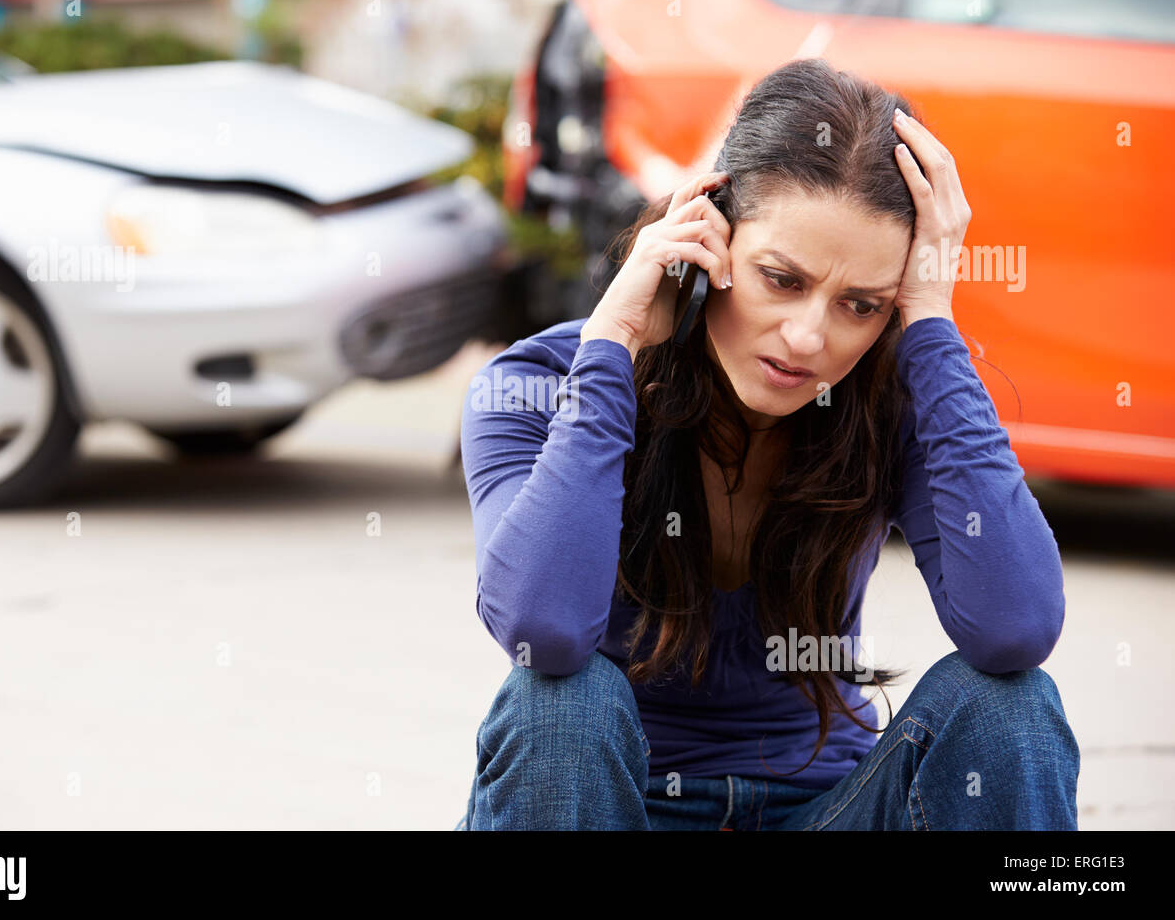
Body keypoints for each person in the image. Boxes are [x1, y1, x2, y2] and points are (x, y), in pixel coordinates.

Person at [455, 58, 1079, 830]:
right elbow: (541, 633)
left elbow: (1016, 628)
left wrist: (930, 321)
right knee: (558, 703)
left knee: (1009, 704)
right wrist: (614, 344)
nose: (809, 337)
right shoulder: (536, 386)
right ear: (707, 235)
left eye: (861, 303)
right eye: (781, 279)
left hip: (827, 807)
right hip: (619, 808)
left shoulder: (895, 394)